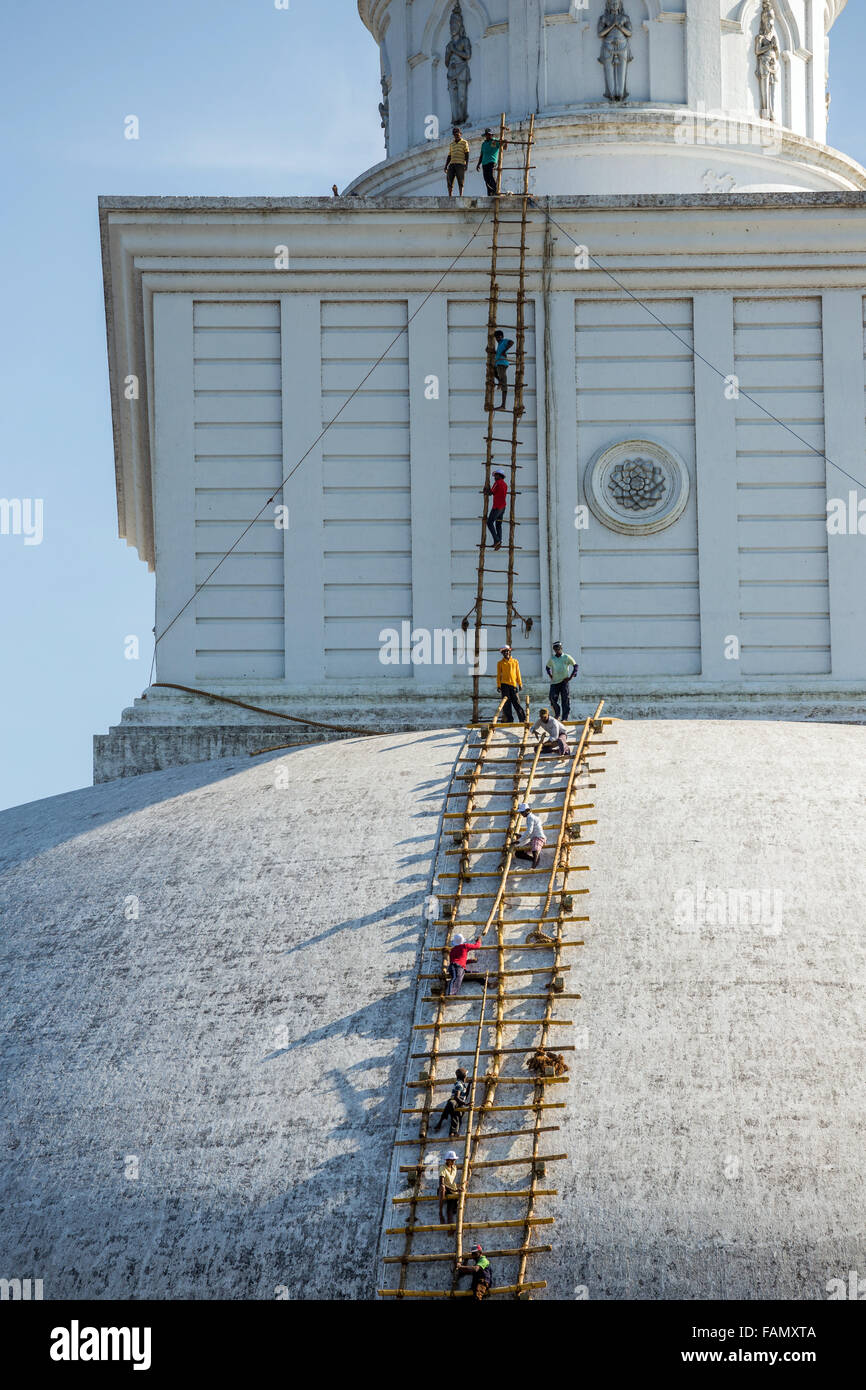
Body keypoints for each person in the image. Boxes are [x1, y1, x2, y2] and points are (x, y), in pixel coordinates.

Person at [545, 641, 578, 721]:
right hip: (555, 682)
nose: (557, 650)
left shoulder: (566, 657)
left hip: (564, 682)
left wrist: (571, 677)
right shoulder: (552, 659)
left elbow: (575, 666)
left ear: (561, 648)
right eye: (556, 649)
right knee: (552, 698)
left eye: (559, 648)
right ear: (554, 649)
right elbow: (547, 667)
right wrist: (550, 675)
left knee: (565, 699)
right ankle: (557, 713)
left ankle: (565, 718)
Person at [435, 1067, 470, 1135]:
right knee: (452, 1107)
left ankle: (452, 1131)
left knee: (456, 1115)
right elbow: (456, 1097)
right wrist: (465, 1103)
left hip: (459, 1103)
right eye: (466, 1075)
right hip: (456, 1102)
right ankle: (442, 1123)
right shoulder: (459, 1084)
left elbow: (466, 1094)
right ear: (464, 1076)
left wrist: (469, 1085)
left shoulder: (462, 1084)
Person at [496, 645, 525, 723]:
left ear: (509, 651)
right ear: (502, 653)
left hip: (513, 685)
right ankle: (509, 721)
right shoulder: (500, 663)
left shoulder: (515, 661)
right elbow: (499, 675)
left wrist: (520, 683)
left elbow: (518, 673)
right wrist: (498, 686)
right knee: (506, 704)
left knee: (517, 703)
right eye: (504, 651)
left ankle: (523, 720)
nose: (506, 653)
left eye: (507, 651)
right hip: (504, 685)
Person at [448, 932, 482, 996]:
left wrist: (469, 961)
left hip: (458, 968)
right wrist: (479, 940)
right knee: (456, 978)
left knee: (476, 974)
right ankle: (451, 993)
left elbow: (458, 961)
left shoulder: (452, 950)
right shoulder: (464, 946)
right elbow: (477, 946)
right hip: (457, 967)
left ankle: (487, 983)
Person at [515, 802, 546, 868]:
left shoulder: (530, 818)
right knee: (518, 853)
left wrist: (519, 840)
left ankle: (534, 865)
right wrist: (521, 836)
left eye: (522, 812)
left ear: (526, 811)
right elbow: (532, 832)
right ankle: (534, 860)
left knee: (535, 850)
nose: (521, 814)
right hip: (534, 838)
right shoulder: (532, 817)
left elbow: (529, 831)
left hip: (538, 838)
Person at [476, 128, 506, 195]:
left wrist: (505, 142)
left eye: (489, 135)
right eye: (487, 135)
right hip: (484, 163)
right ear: (485, 135)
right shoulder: (483, 144)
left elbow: (504, 147)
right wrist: (478, 164)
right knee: (486, 179)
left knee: (491, 176)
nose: (488, 136)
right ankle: (489, 193)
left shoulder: (495, 141)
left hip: (492, 162)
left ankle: (495, 190)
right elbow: (482, 155)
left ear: (491, 135)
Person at [445, 126, 470, 196]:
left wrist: (466, 164)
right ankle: (450, 195)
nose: (456, 135)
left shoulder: (464, 142)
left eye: (457, 134)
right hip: (452, 164)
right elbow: (449, 155)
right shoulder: (451, 144)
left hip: (460, 164)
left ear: (460, 134)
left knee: (460, 180)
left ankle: (461, 195)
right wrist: (446, 165)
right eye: (454, 134)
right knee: (449, 179)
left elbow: (467, 153)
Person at [485, 470, 507, 550]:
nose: (494, 477)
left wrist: (485, 490)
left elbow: (490, 492)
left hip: (497, 507)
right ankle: (499, 542)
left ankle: (497, 540)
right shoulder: (505, 484)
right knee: (498, 524)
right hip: (503, 506)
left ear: (499, 476)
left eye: (495, 475)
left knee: (489, 522)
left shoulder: (497, 483)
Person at [493, 330, 514, 410]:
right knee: (494, 372)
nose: (497, 339)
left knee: (504, 384)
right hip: (498, 364)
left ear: (501, 336)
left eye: (498, 337)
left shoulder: (504, 341)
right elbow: (498, 353)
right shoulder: (499, 344)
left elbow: (511, 342)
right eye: (496, 337)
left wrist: (504, 351)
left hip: (502, 364)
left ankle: (503, 405)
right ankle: (500, 382)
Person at [439, 1151, 461, 1226]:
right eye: (452, 1160)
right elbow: (441, 1183)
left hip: (452, 1190)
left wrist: (457, 1188)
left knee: (450, 1209)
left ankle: (450, 1228)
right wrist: (454, 1190)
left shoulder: (454, 1168)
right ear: (447, 1160)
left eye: (454, 1160)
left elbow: (452, 1182)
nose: (453, 1162)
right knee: (442, 1188)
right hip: (445, 1190)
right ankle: (440, 1212)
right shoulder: (443, 1168)